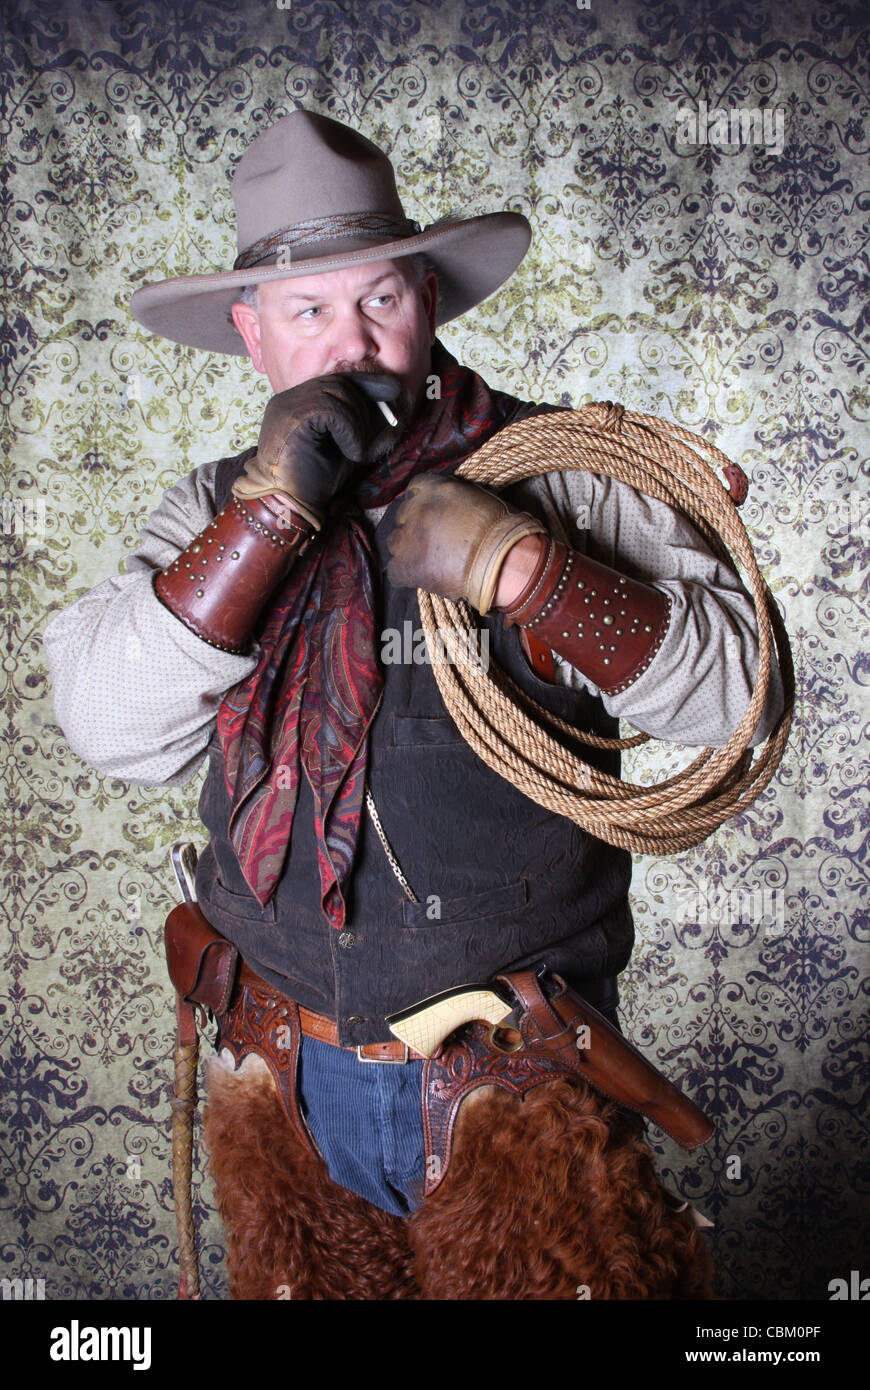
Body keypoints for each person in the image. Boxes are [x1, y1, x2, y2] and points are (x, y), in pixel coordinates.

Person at [44, 108, 784, 1300]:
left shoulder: (563, 469)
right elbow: (109, 728)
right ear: (252, 337)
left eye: (379, 300)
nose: (352, 344)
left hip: (517, 1083)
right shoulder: (205, 513)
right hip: (280, 1074)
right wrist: (265, 520)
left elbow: (738, 698)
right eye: (308, 312)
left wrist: (529, 570)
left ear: (428, 300)